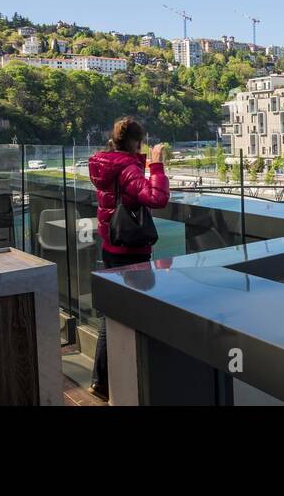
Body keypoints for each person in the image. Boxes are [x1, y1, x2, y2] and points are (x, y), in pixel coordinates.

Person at [87, 116, 169, 401]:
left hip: (111, 246)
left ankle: (101, 380)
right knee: (138, 312)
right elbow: (157, 197)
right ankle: (137, 382)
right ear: (136, 142)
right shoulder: (127, 169)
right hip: (133, 252)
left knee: (112, 313)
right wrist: (156, 164)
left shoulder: (103, 164)